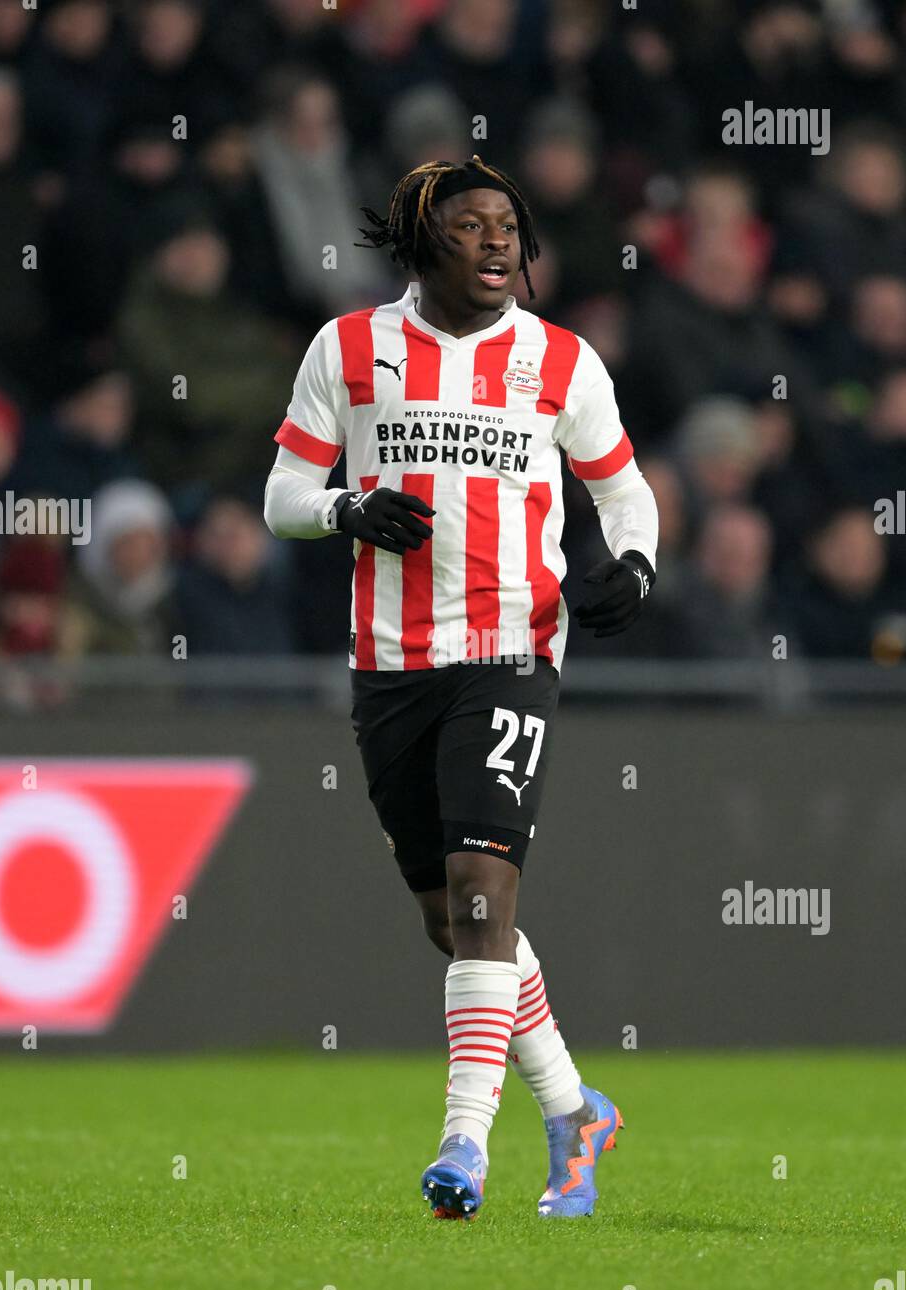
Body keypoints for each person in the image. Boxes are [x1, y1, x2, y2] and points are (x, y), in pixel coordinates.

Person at [264, 155, 659, 1221]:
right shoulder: (350, 349)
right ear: (420, 242)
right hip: (392, 665)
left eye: (509, 229)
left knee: (485, 891)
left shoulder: (560, 362)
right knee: (451, 919)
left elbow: (625, 491)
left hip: (513, 649)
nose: (498, 244)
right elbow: (281, 495)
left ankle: (462, 1147)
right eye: (473, 227)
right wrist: (343, 510)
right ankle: (575, 1108)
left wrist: (633, 568)